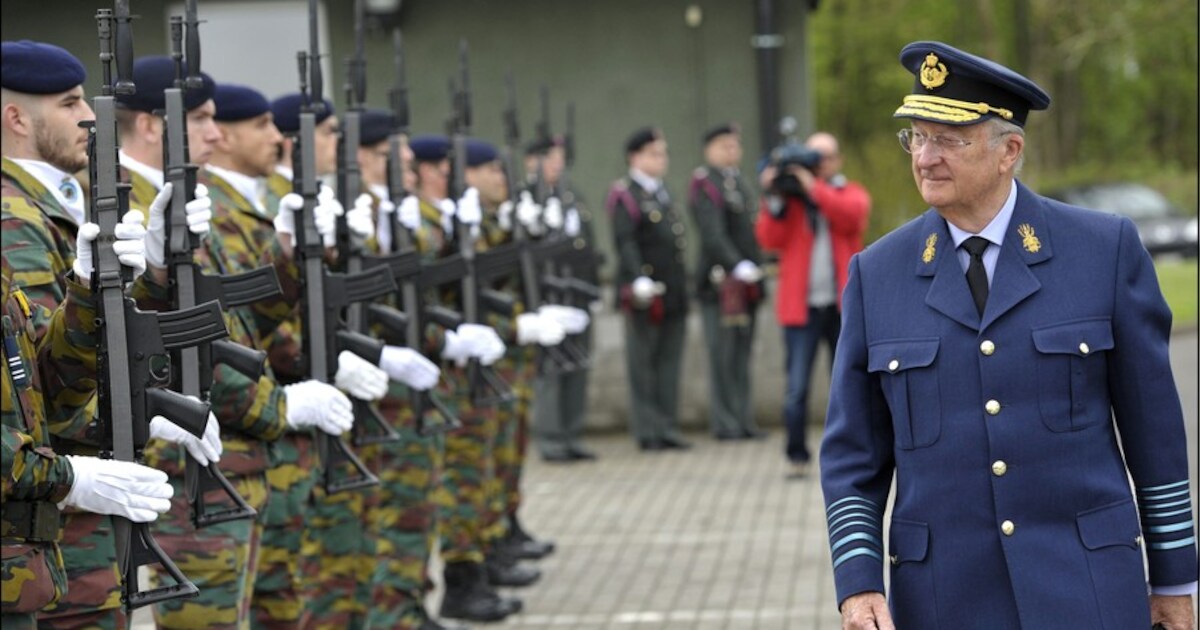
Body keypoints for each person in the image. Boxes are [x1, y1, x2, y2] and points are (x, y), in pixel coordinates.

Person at [820, 40, 1198, 630]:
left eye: (948, 139)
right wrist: (859, 582)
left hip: (1086, 588)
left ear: (1009, 151)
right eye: (916, 137)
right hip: (944, 596)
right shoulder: (878, 274)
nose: (925, 157)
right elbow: (852, 454)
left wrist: (1174, 578)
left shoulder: (1102, 251)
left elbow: (1155, 432)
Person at [1, 39, 218, 630]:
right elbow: (42, 406)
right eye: (71, 103)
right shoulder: (12, 216)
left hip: (54, 518)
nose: (92, 118)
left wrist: (128, 278)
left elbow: (49, 373)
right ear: (17, 117)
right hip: (55, 508)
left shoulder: (56, 202)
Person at [755, 130, 869, 477]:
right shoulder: (789, 201)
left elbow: (852, 218)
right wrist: (773, 195)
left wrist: (813, 189)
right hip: (800, 309)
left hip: (841, 308)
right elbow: (767, 239)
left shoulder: (848, 192)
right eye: (812, 157)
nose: (818, 165)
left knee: (849, 385)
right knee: (796, 389)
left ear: (837, 160)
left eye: (825, 158)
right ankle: (796, 455)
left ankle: (855, 452)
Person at [607, 127, 690, 451]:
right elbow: (625, 240)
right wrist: (637, 275)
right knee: (643, 363)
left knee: (669, 361)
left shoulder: (662, 192)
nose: (662, 159)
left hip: (671, 290)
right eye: (654, 153)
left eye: (663, 153)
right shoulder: (624, 193)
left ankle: (666, 426)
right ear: (635, 157)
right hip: (644, 292)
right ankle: (647, 429)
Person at [689, 123, 766, 441]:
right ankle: (725, 421)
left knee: (742, 353)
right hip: (720, 284)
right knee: (722, 353)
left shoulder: (740, 183)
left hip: (746, 284)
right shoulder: (705, 184)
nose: (731, 152)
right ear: (710, 150)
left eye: (735, 146)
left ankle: (744, 419)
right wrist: (737, 264)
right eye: (724, 146)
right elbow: (712, 233)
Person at [528, 135, 601, 464]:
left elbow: (589, 245)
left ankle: (572, 433)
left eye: (560, 157)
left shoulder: (573, 196)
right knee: (551, 369)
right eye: (549, 157)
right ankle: (551, 437)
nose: (557, 163)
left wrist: (594, 287)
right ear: (532, 161)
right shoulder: (527, 198)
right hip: (548, 296)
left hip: (577, 292)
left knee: (577, 365)